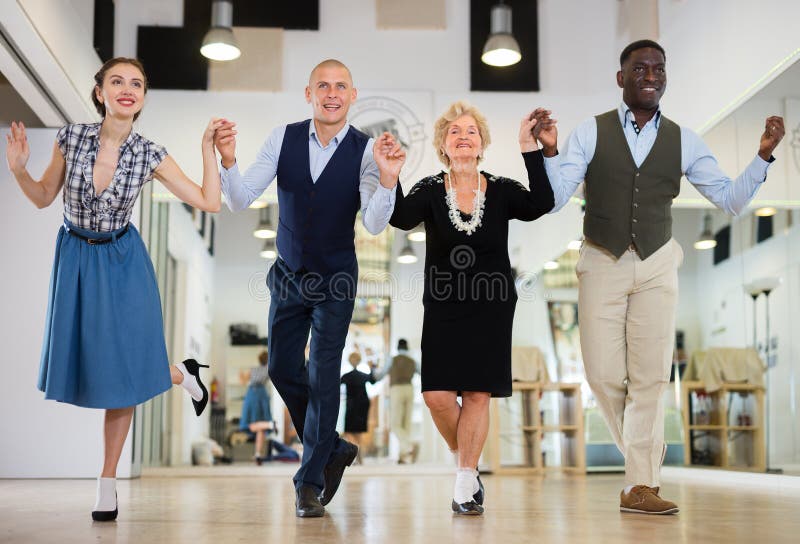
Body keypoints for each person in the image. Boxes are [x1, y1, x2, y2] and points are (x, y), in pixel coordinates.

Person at [534, 39, 785, 515]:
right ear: (621, 77)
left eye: (658, 69)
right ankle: (640, 465)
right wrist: (549, 152)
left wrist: (763, 157)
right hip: (601, 260)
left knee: (650, 379)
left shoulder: (685, 139)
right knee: (603, 374)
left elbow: (729, 199)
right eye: (639, 68)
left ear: (665, 78)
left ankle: (640, 484)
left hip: (657, 262)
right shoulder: (589, 133)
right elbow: (557, 196)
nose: (650, 75)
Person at [4, 57, 225, 521]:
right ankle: (182, 375)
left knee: (123, 374)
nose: (128, 89)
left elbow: (208, 201)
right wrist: (20, 169)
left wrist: (207, 148)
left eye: (137, 84)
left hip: (124, 261)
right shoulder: (71, 137)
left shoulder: (150, 153)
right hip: (77, 259)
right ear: (100, 91)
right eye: (117, 81)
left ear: (143, 97)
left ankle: (107, 482)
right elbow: (45, 196)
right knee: (96, 364)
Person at [213, 59, 396, 517]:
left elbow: (374, 224)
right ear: (308, 93)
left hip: (335, 278)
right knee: (280, 368)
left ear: (353, 95)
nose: (331, 94)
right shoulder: (282, 138)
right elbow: (239, 198)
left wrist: (389, 180)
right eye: (322, 86)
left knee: (322, 374)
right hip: (289, 275)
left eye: (340, 87)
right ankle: (331, 446)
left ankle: (309, 481)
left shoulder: (367, 150)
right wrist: (229, 160)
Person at [375, 101, 555, 515]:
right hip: (443, 305)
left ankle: (463, 481)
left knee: (477, 393)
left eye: (470, 130)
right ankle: (469, 462)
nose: (462, 136)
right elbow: (401, 219)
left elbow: (540, 203)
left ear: (482, 142)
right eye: (454, 131)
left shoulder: (503, 190)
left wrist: (531, 148)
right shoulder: (428, 189)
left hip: (492, 304)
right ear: (442, 144)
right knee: (437, 395)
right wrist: (390, 174)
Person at [373, 338, 421, 463]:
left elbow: (380, 375)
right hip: (410, 389)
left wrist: (373, 372)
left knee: (395, 424)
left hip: (396, 389)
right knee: (406, 423)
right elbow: (422, 373)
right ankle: (403, 456)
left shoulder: (392, 360)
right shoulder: (413, 361)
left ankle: (408, 445)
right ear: (407, 348)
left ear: (397, 348)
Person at [340, 351, 377, 464]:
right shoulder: (363, 375)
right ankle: (359, 452)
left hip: (351, 404)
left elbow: (336, 384)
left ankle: (356, 451)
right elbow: (373, 381)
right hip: (363, 404)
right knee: (359, 430)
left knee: (350, 430)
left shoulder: (346, 376)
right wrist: (372, 367)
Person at [239, 350, 274, 464]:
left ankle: (270, 424)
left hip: (252, 394)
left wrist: (241, 374)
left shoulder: (253, 369)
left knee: (249, 424)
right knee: (261, 427)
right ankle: (258, 454)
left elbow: (243, 382)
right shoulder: (269, 369)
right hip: (262, 394)